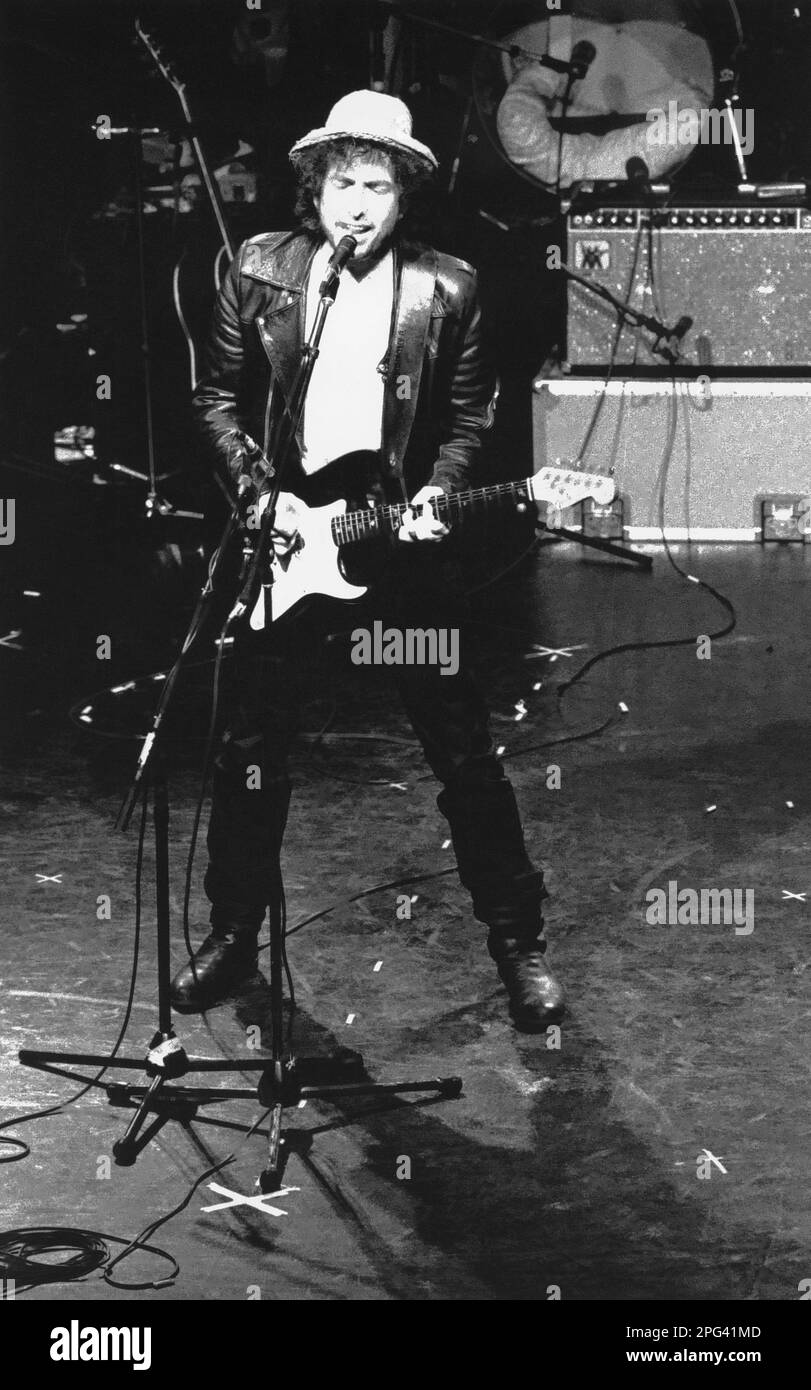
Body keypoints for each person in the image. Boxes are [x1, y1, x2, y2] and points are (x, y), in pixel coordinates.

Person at [170, 90, 565, 1032]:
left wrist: (438, 495)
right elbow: (216, 399)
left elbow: (470, 420)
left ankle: (519, 946)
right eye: (341, 183)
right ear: (315, 188)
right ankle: (234, 935)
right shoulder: (259, 270)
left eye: (376, 186)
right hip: (285, 545)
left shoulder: (447, 286)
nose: (356, 203)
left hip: (393, 548)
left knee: (462, 754)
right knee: (249, 753)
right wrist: (259, 499)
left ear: (403, 195)